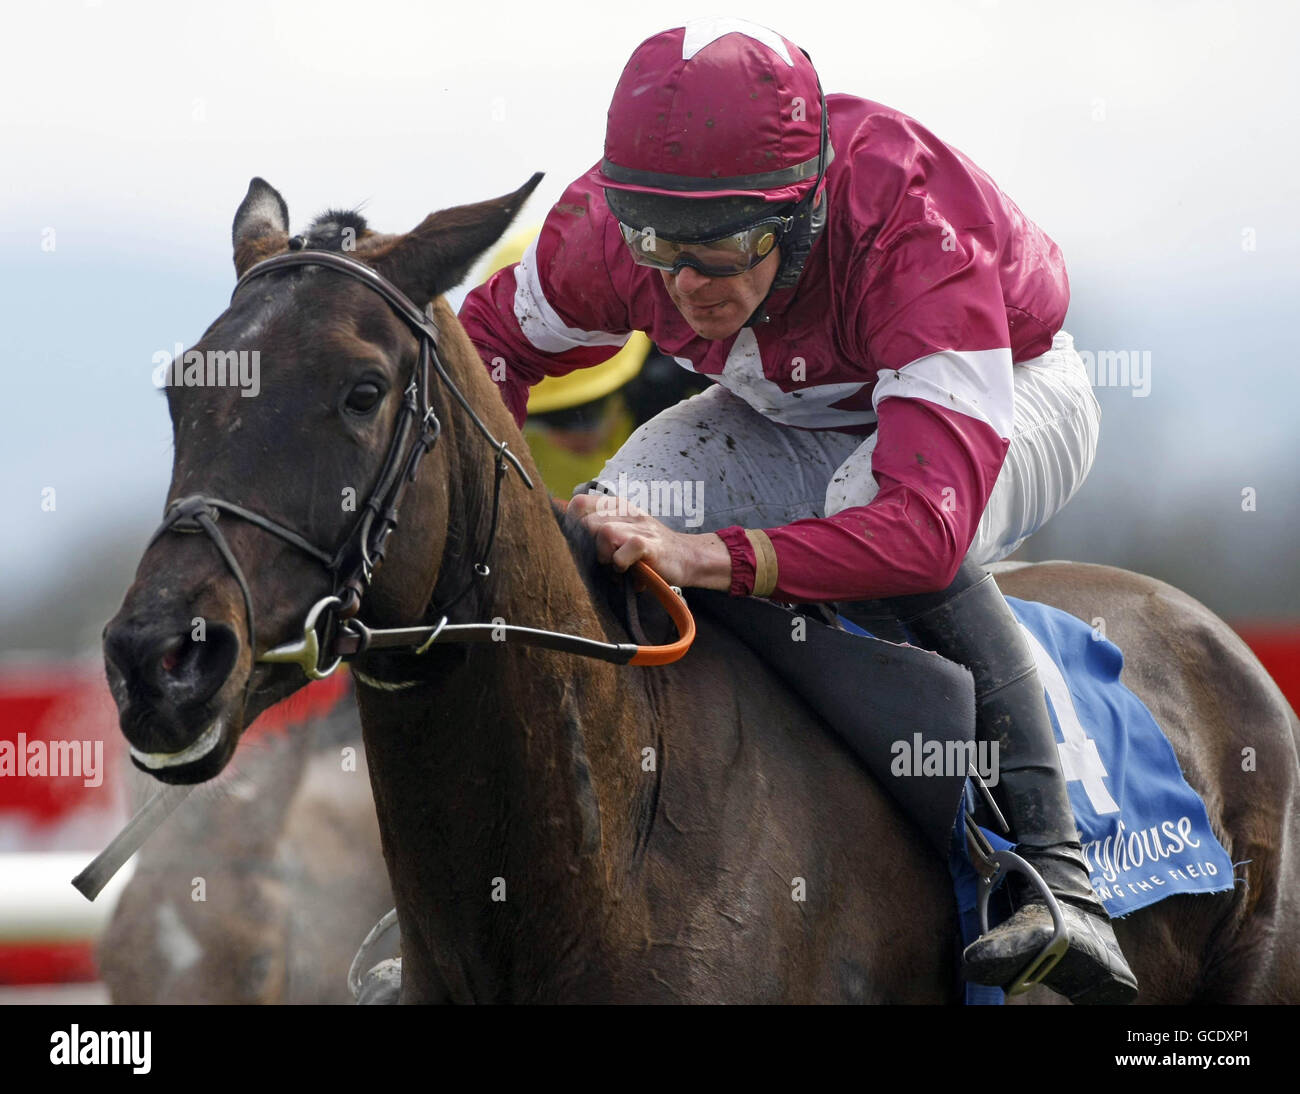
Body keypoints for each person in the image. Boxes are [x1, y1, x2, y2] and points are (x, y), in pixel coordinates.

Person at [459, 17, 1137, 1004]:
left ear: (802, 214)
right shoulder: (603, 235)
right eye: (658, 244)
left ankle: (1058, 872)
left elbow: (920, 529)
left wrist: (707, 556)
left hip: (1011, 387)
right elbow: (486, 347)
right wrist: (500, 523)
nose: (687, 284)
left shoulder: (909, 221)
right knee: (612, 513)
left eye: (722, 247)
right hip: (791, 396)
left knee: (864, 505)